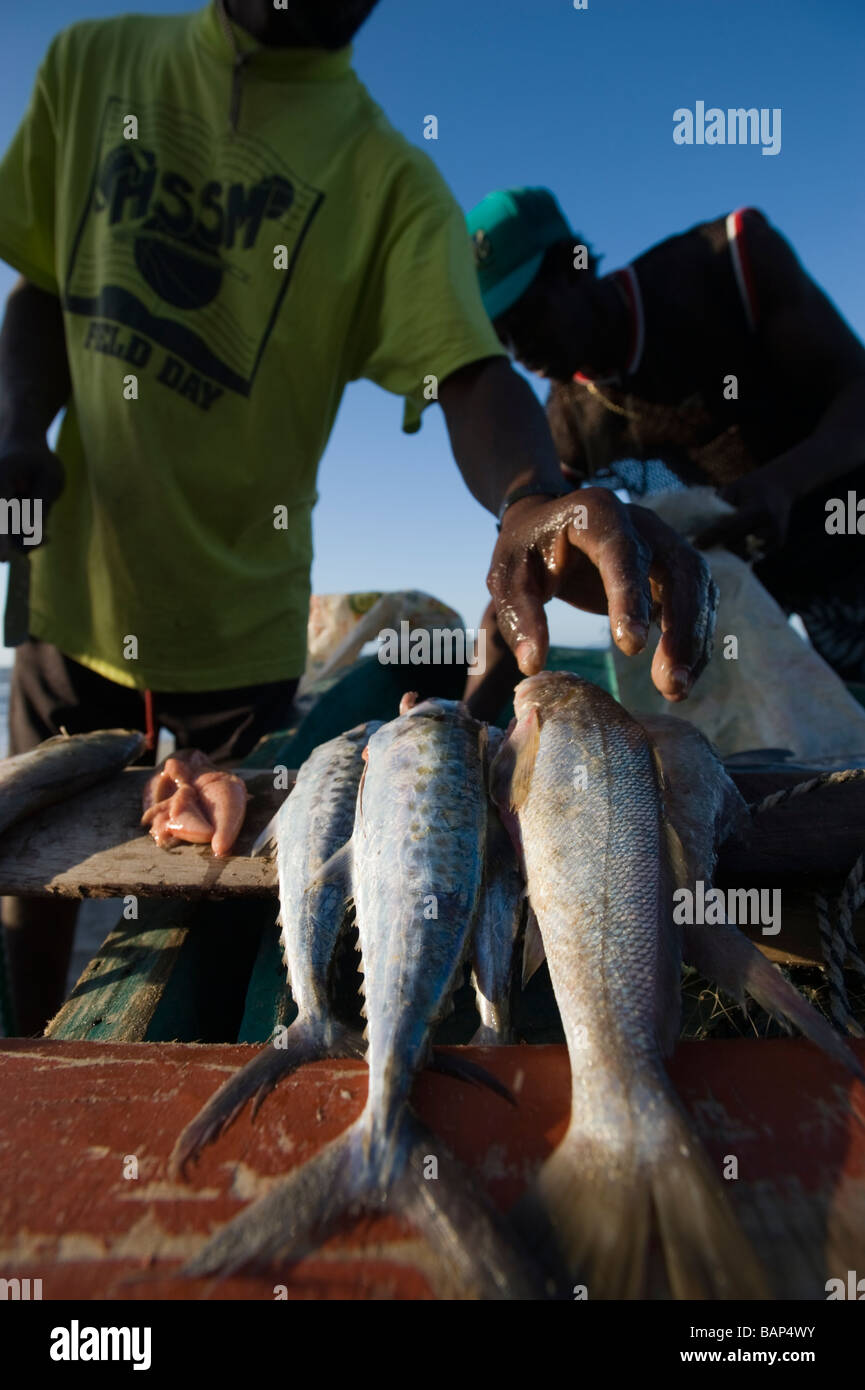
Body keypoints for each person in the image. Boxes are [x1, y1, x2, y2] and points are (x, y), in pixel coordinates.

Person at [0, 5, 714, 1033]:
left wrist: (528, 498)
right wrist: (24, 431)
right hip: (63, 605)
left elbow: (469, 373)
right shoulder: (88, 64)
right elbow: (39, 288)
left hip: (237, 655)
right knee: (29, 883)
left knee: (181, 916)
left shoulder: (388, 182)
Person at [464, 186, 865, 702]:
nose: (520, 351)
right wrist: (465, 716)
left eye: (528, 318)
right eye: (502, 335)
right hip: (744, 588)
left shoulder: (726, 266)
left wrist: (783, 484)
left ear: (575, 266)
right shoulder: (566, 421)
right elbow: (529, 558)